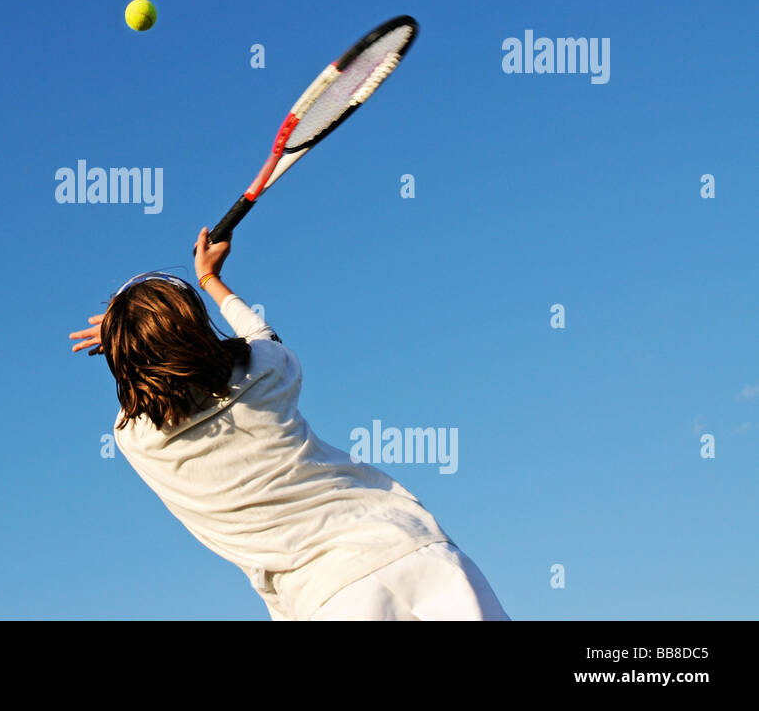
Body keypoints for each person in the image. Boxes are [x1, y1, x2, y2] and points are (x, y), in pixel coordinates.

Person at [69, 227, 510, 621]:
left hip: (329, 601)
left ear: (123, 356)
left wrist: (131, 330)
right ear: (195, 325)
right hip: (416, 553)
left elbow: (157, 369)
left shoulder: (135, 440)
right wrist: (208, 279)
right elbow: (259, 333)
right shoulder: (265, 370)